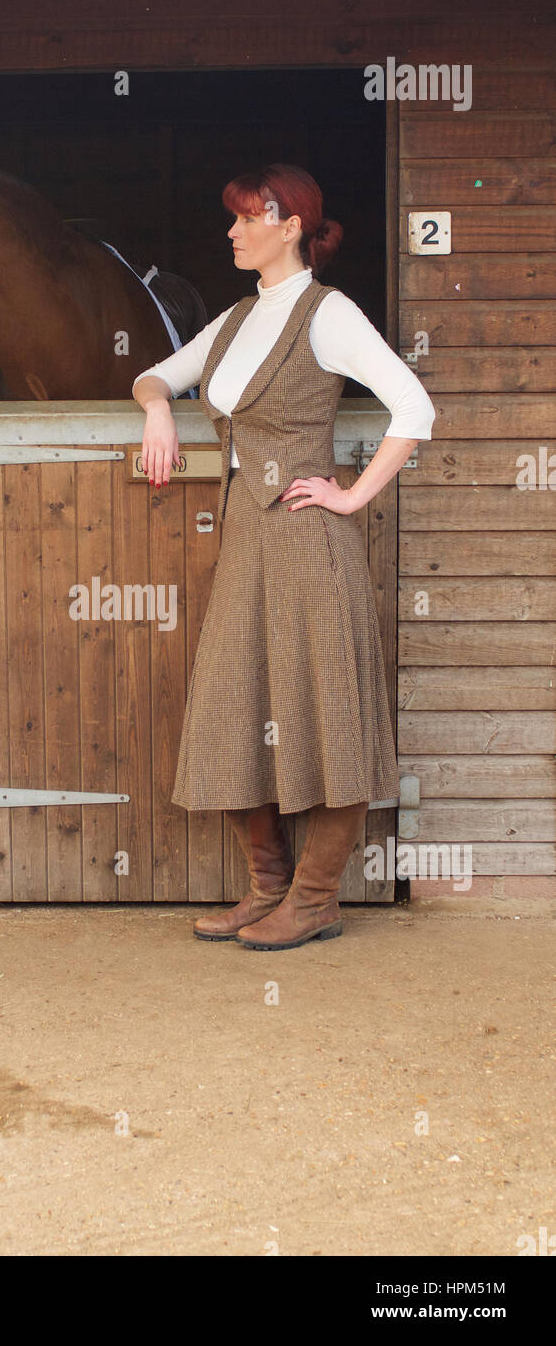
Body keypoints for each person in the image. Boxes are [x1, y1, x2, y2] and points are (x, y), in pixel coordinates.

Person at [131, 163, 435, 952]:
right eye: (232, 219)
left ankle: (315, 898)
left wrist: (350, 495)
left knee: (330, 714)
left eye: (248, 217)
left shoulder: (326, 314)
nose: (233, 232)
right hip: (246, 543)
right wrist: (159, 410)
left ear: (291, 224)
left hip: (308, 539)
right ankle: (267, 890)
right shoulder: (236, 318)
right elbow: (154, 373)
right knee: (235, 705)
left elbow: (415, 406)